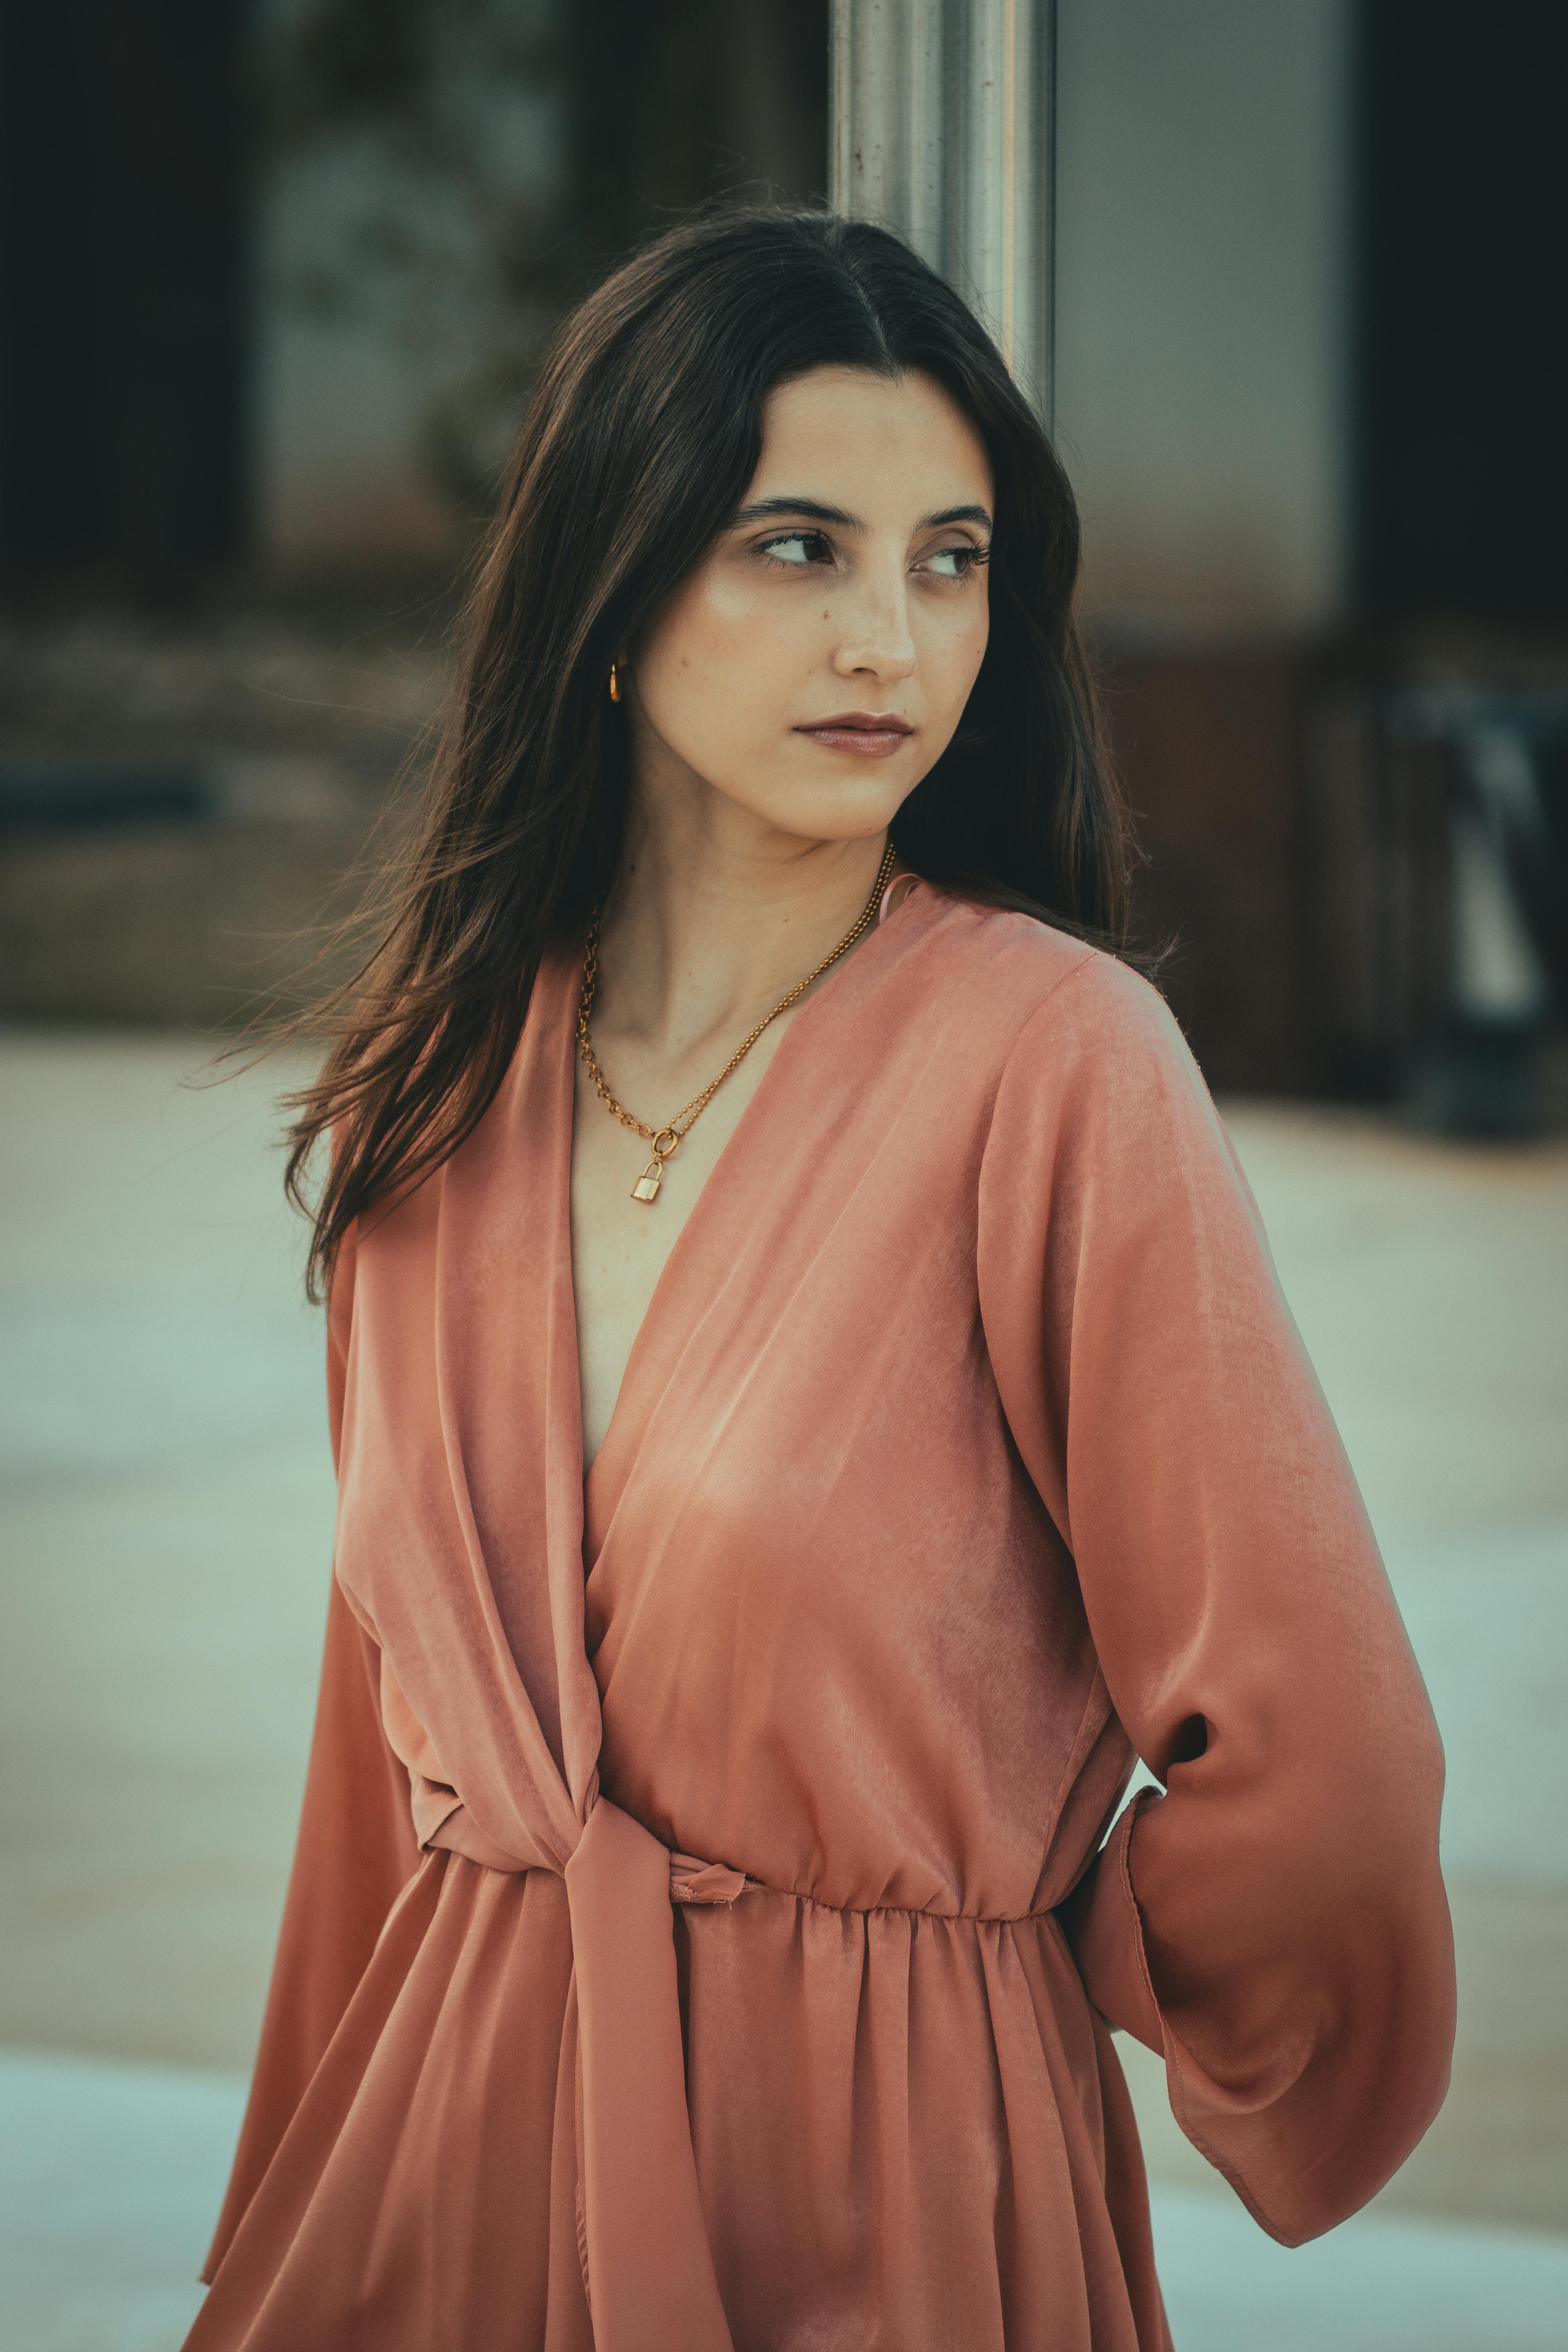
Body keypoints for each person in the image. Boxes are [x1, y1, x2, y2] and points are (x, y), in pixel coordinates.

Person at [186, 209, 1454, 2352]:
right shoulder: (436, 1098)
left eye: (948, 560)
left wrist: (1013, 1950)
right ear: (611, 588)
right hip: (437, 2185)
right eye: (797, 547)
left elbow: (1322, 1766)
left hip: (872, 2195)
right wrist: (309, 2171)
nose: (890, 637)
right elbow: (369, 1783)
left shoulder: (1051, 1065)